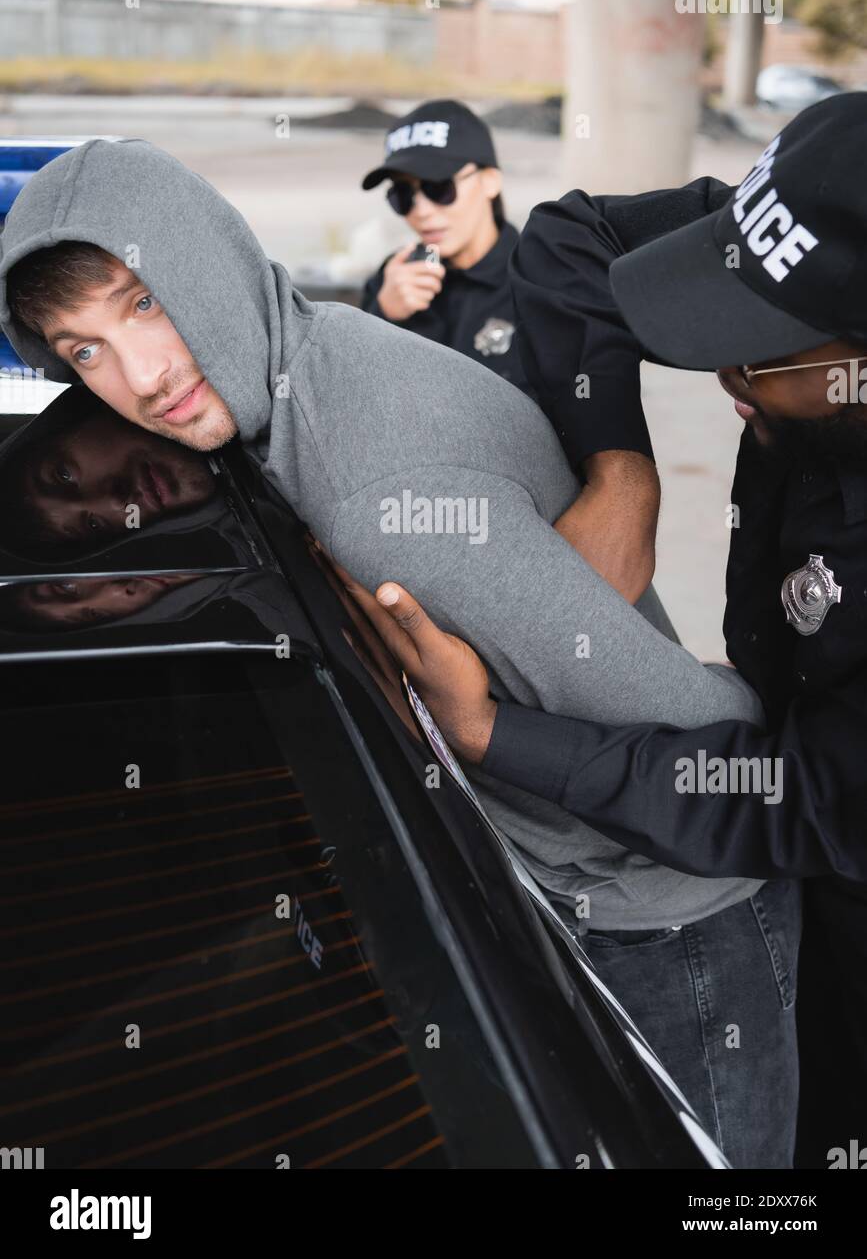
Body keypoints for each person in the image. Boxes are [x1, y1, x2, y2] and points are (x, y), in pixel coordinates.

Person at [1, 137, 792, 1167]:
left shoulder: (384, 506)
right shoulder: (319, 352)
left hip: (671, 936)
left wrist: (486, 730)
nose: (140, 378)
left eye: (142, 302)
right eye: (83, 350)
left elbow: (715, 754)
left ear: (204, 253)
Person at [340, 93, 867, 1169]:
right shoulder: (822, 228)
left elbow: (805, 800)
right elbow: (579, 232)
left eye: (760, 359)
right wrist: (621, 467)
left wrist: (497, 738)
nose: (727, 378)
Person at [360, 99, 532, 394]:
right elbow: (353, 395)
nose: (422, 211)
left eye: (438, 188)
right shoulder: (393, 279)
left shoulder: (538, 279)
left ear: (490, 181)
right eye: (403, 195)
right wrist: (382, 315)